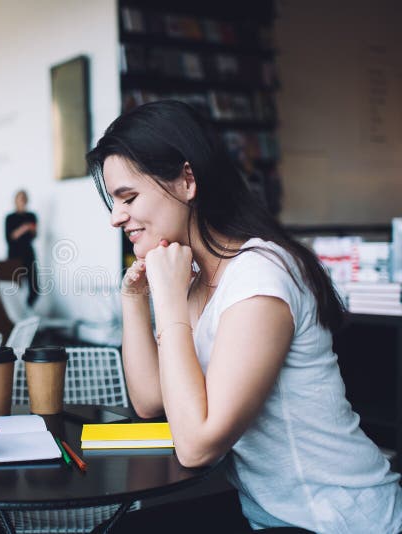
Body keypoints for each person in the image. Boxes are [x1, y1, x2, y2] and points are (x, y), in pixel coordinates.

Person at [87, 100, 402, 533]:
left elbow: (196, 447)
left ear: (187, 181)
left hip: (336, 521)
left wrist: (171, 305)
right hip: (272, 519)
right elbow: (149, 401)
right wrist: (133, 297)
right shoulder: (196, 278)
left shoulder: (259, 274)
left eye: (129, 197)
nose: (115, 217)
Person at [5, 189, 39, 307]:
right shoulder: (10, 218)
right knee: (14, 288)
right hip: (14, 256)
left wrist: (32, 229)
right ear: (15, 201)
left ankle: (26, 310)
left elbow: (34, 235)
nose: (22, 201)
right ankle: (17, 314)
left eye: (24, 198)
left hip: (28, 254)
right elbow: (10, 238)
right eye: (20, 198)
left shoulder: (31, 216)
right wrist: (24, 228)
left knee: (35, 288)